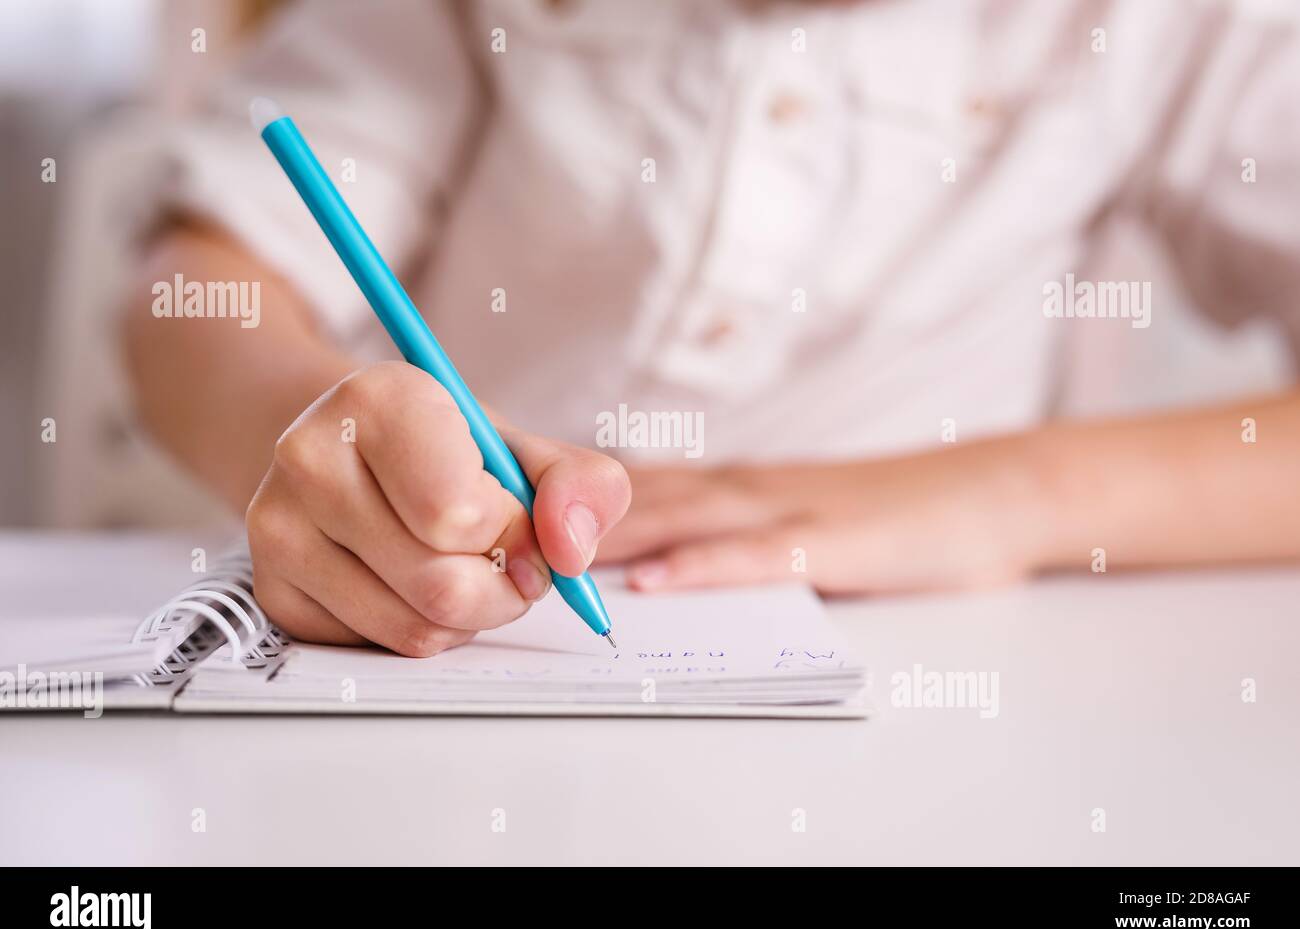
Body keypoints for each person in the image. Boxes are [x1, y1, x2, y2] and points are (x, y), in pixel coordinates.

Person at [122, 0, 1300, 657]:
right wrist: (309, 436)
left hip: (934, 673)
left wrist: (1014, 496)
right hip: (449, 638)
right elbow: (195, 286)